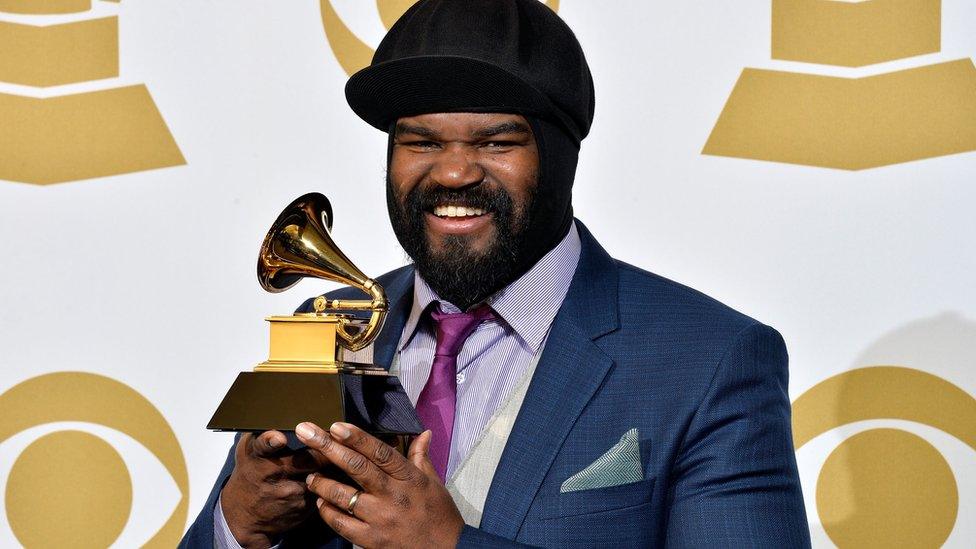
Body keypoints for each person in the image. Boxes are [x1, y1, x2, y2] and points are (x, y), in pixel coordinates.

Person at [181, 1, 811, 547]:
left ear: (559, 159)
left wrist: (447, 545)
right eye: (422, 143)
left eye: (495, 142)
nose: (453, 173)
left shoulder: (709, 360)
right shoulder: (329, 328)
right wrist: (240, 523)